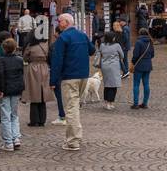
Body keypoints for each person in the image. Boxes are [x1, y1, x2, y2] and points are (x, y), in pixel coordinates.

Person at [50, 14, 91, 151]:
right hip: (83, 75)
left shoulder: (63, 38)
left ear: (66, 23)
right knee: (75, 106)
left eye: (59, 21)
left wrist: (53, 80)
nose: (58, 23)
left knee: (71, 108)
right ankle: (75, 136)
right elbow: (92, 50)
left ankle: (73, 141)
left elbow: (57, 61)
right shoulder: (82, 35)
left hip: (69, 77)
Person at [0, 37, 25, 151]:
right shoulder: (19, 60)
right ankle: (16, 138)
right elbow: (21, 75)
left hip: (5, 90)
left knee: (5, 116)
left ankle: (8, 142)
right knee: (14, 115)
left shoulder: (1, 60)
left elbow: (0, 76)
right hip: (16, 89)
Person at [21, 34, 52, 126]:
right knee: (43, 95)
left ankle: (34, 120)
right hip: (44, 68)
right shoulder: (45, 45)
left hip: (33, 68)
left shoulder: (30, 46)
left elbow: (25, 58)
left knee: (34, 94)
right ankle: (42, 120)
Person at [95, 31, 125, 111]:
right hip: (114, 67)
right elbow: (122, 55)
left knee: (107, 84)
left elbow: (99, 54)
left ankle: (106, 102)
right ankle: (110, 103)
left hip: (104, 67)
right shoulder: (117, 45)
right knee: (113, 85)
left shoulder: (102, 45)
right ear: (112, 38)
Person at [130, 27, 154, 108]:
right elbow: (152, 55)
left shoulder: (138, 42)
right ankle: (145, 103)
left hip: (139, 66)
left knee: (136, 84)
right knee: (146, 84)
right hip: (148, 65)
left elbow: (135, 55)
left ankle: (136, 103)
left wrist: (133, 62)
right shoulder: (150, 42)